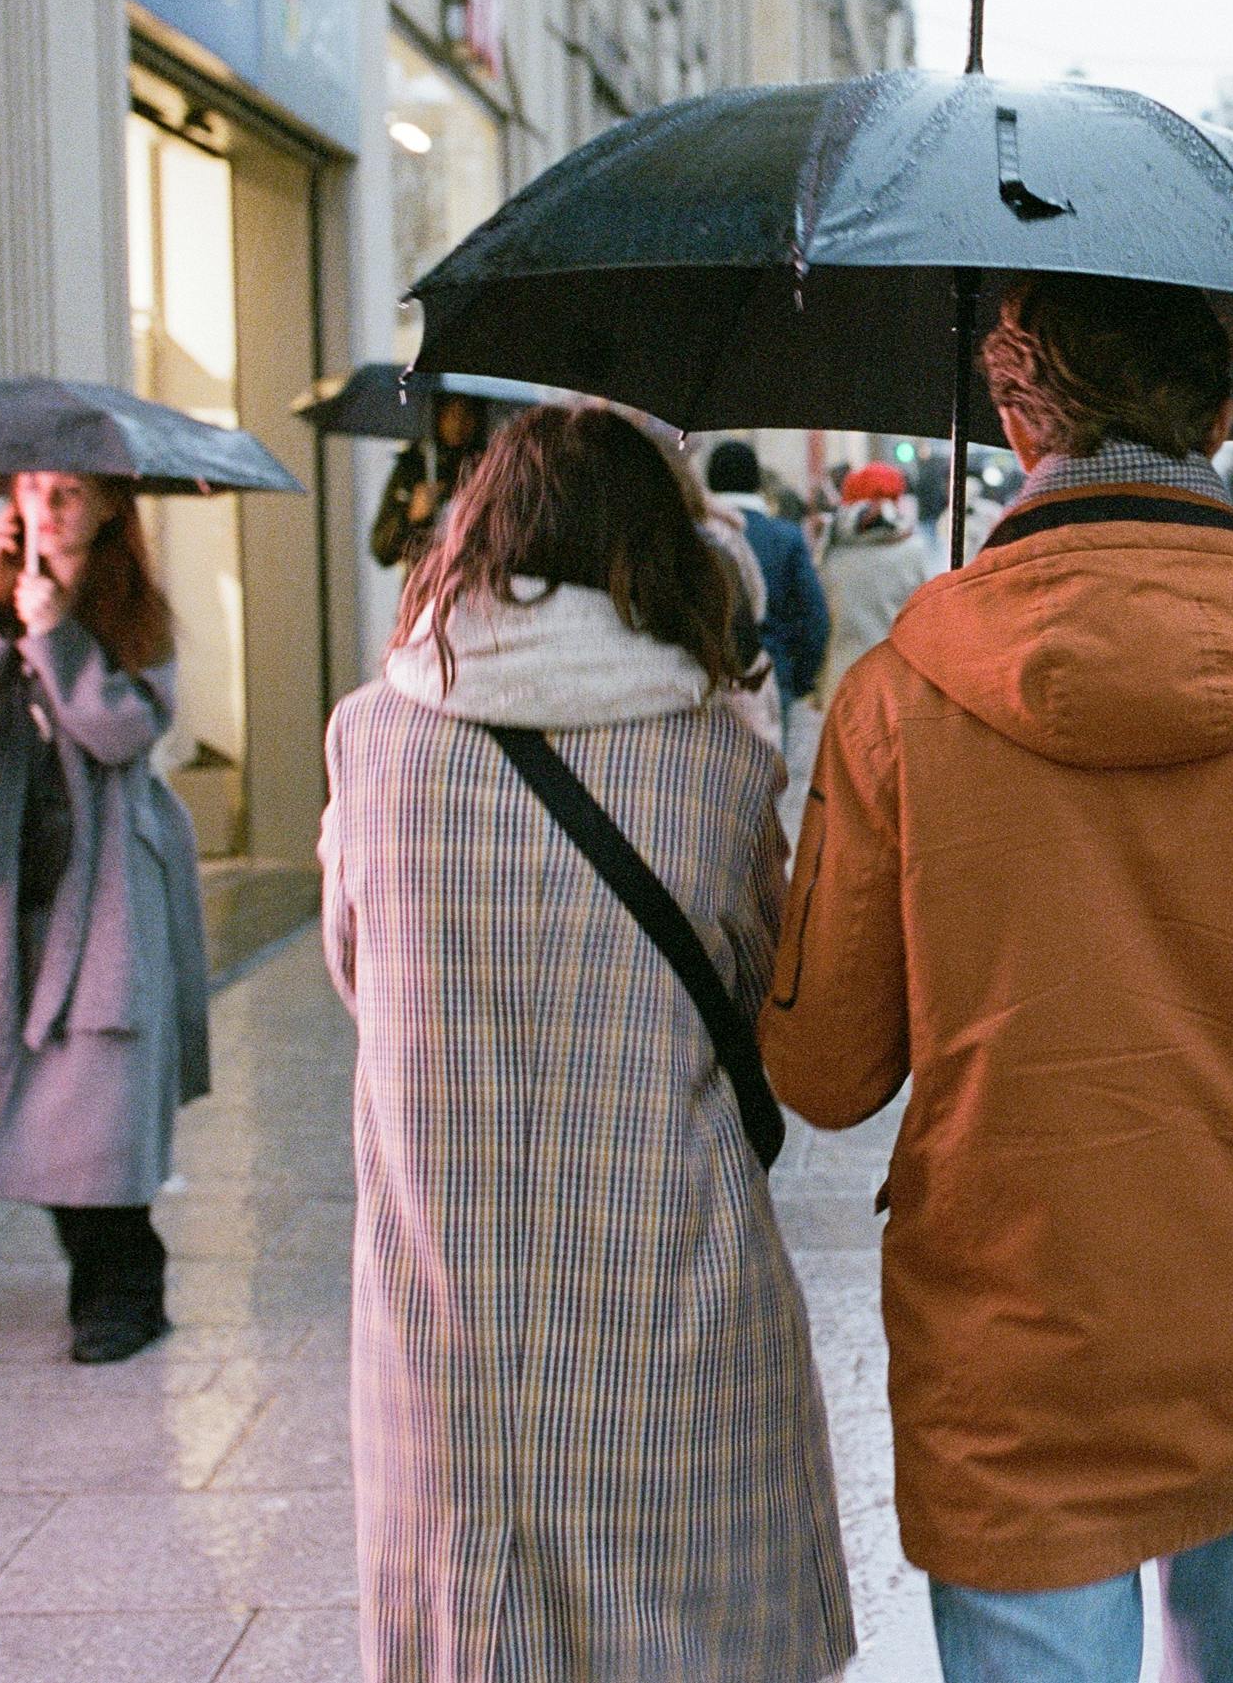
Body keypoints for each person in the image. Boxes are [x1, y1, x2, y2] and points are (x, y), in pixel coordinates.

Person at [762, 273, 1233, 1683]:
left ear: (1013, 417)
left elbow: (824, 1076)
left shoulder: (898, 696)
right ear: (1224, 417)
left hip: (1008, 1344)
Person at [321, 405, 853, 1682]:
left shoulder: (374, 737)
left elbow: (360, 973)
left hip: (450, 1301)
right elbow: (765, 996)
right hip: (672, 1280)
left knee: (482, 1627)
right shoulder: (720, 760)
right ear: (661, 551)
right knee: (692, 1629)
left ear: (479, 536)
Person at [0, 472, 208, 1365]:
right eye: (35, 487)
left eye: (72, 490)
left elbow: (123, 731)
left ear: (113, 506)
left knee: (99, 1105)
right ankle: (111, 1274)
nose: (49, 503)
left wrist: (56, 635)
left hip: (109, 891)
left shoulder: (133, 614)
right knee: (38, 1104)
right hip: (13, 900)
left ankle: (118, 1289)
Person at [705, 439, 829, 734]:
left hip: (704, 677)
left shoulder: (691, 534)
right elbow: (814, 616)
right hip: (771, 677)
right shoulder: (785, 538)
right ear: (755, 480)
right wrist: (800, 679)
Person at [814, 462, 935, 708]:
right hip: (896, 684)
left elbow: (816, 618)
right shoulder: (915, 552)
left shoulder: (830, 550)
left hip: (840, 682)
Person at [368, 392, 487, 569]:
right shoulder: (412, 468)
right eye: (451, 414)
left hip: (472, 580)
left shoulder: (486, 470)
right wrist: (411, 517)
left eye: (467, 414)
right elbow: (382, 550)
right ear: (438, 415)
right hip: (426, 584)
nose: (458, 423)